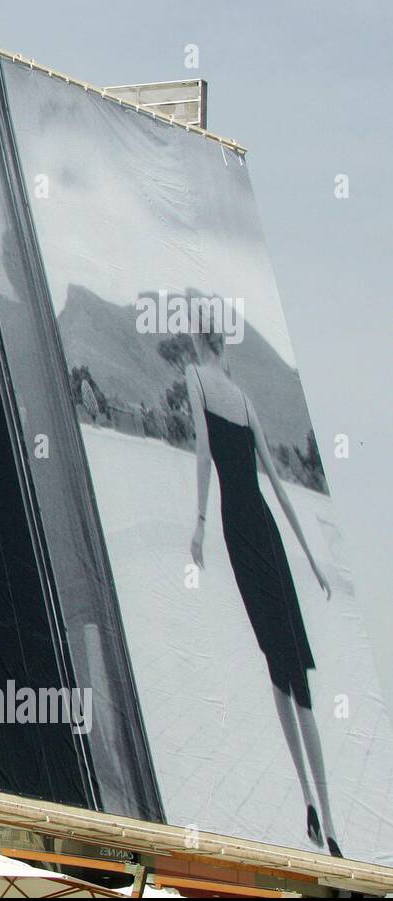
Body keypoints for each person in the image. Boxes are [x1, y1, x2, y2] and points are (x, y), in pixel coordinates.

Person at [185, 321, 339, 856]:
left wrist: (201, 520)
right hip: (268, 533)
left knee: (280, 669)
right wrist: (314, 564)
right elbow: (277, 484)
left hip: (239, 532)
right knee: (293, 673)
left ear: (197, 344)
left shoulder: (196, 380)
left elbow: (204, 452)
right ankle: (325, 817)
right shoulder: (244, 398)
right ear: (222, 348)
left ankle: (314, 808)